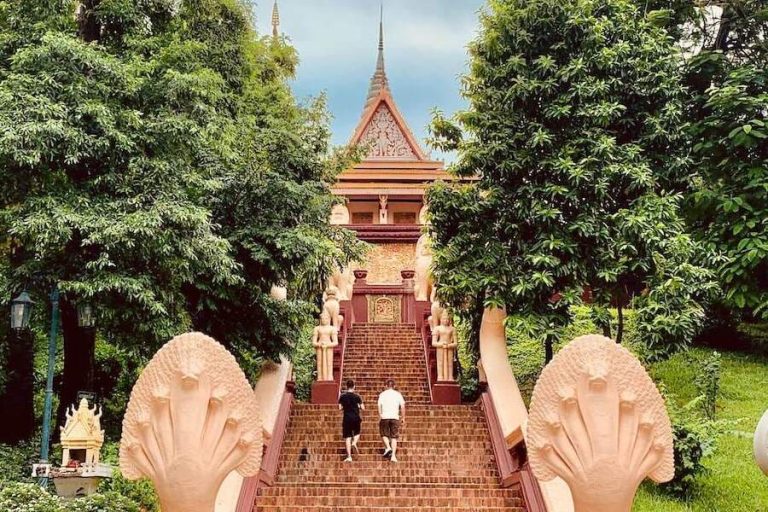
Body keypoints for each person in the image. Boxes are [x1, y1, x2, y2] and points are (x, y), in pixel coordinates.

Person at [377, 379, 405, 463]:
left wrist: (380, 415)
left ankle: (388, 447)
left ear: (386, 386)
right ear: (394, 386)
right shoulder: (398, 394)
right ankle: (393, 456)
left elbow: (379, 406)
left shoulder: (382, 394)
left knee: (383, 434)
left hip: (385, 416)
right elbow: (402, 406)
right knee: (394, 437)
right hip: (395, 417)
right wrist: (403, 417)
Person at [338, 379, 364, 462]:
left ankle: (349, 456)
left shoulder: (343, 396)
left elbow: (340, 408)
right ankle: (355, 442)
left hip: (347, 418)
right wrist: (358, 406)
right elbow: (363, 407)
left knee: (347, 437)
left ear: (346, 386)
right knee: (357, 432)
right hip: (356, 418)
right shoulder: (357, 397)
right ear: (354, 386)